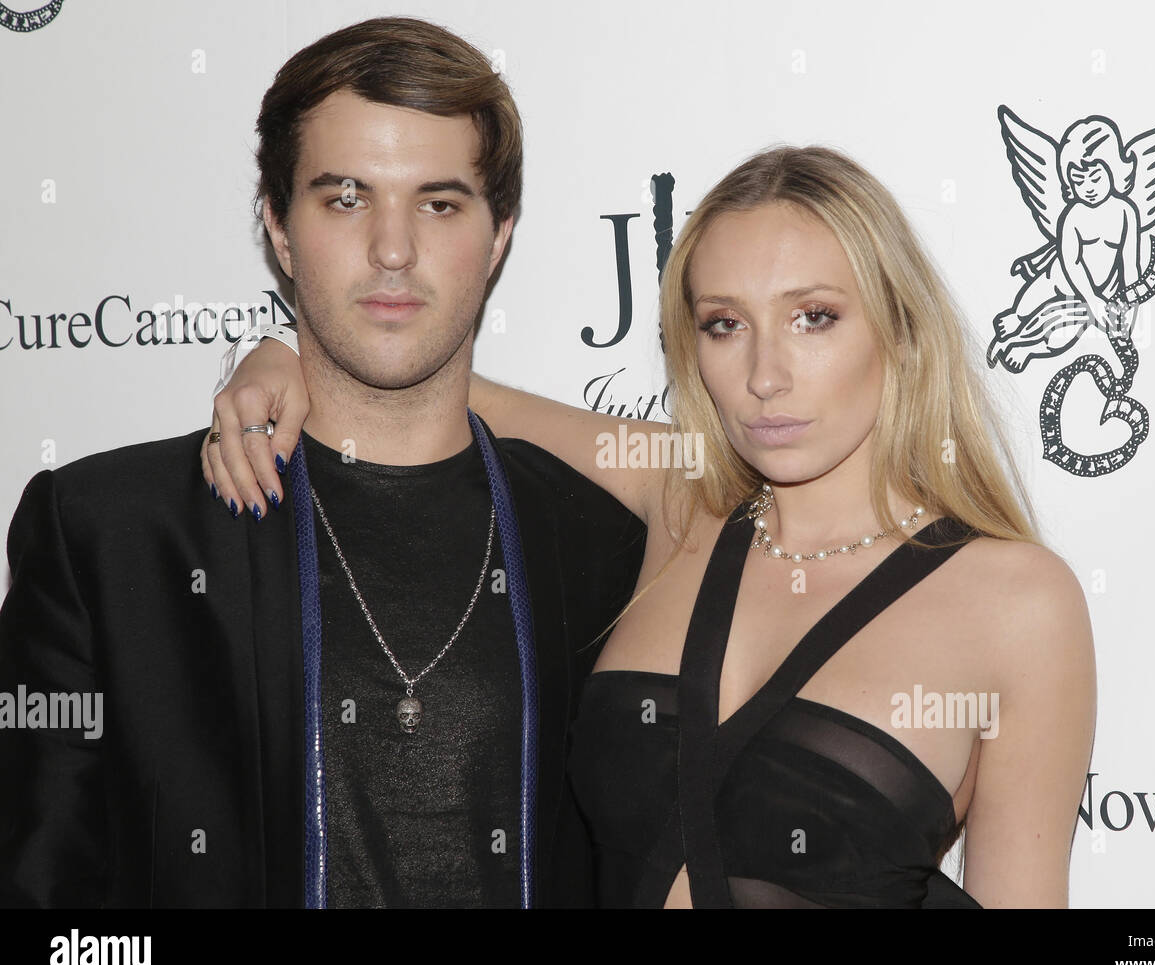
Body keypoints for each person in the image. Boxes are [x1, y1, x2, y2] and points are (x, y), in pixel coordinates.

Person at [206, 146, 1097, 908]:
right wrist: (281, 354)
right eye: (724, 325)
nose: (764, 374)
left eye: (813, 317)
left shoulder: (1015, 601)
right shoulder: (684, 502)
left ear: (900, 331)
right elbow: (437, 386)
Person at [0, 16, 644, 908]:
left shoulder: (601, 544)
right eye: (345, 197)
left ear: (498, 237)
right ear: (279, 227)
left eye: (439, 202)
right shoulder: (110, 535)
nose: (392, 248)